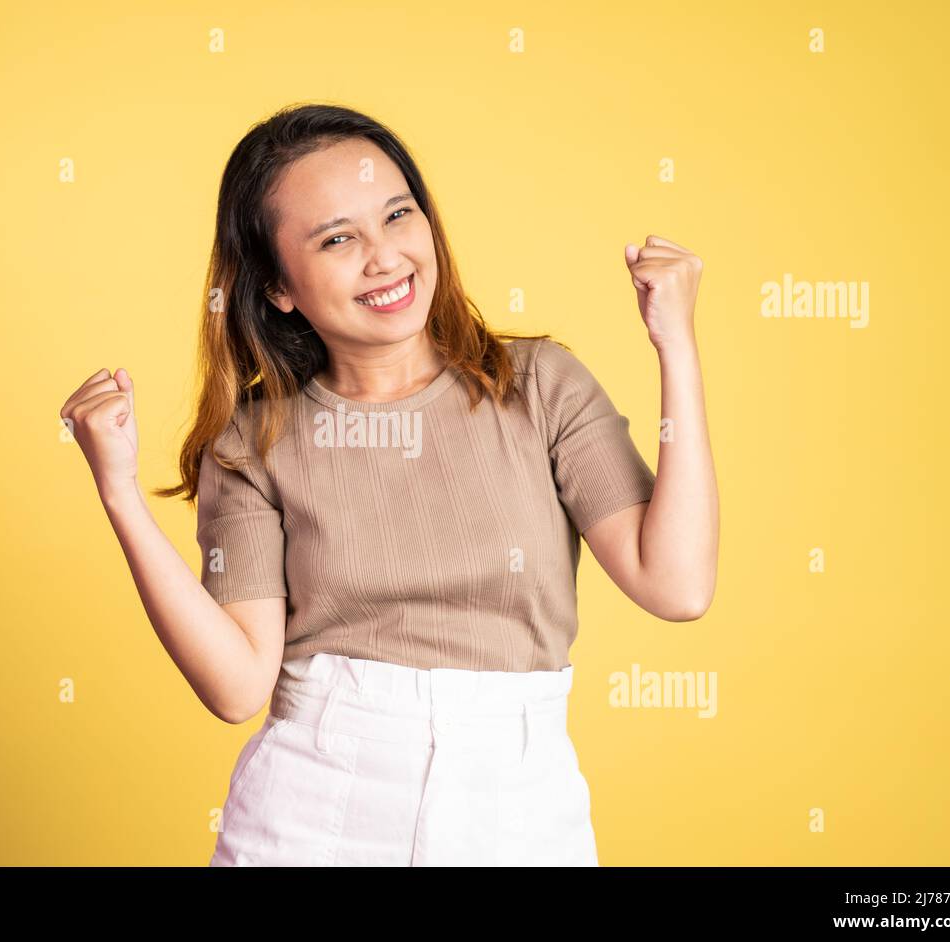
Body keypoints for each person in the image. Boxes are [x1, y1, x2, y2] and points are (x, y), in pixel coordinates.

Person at [58, 103, 718, 866]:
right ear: (277, 285)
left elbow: (676, 586)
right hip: (313, 812)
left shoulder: (540, 386)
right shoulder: (253, 440)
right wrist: (120, 495)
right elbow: (238, 687)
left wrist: (677, 347)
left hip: (518, 810)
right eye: (338, 238)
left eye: (398, 216)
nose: (385, 257)